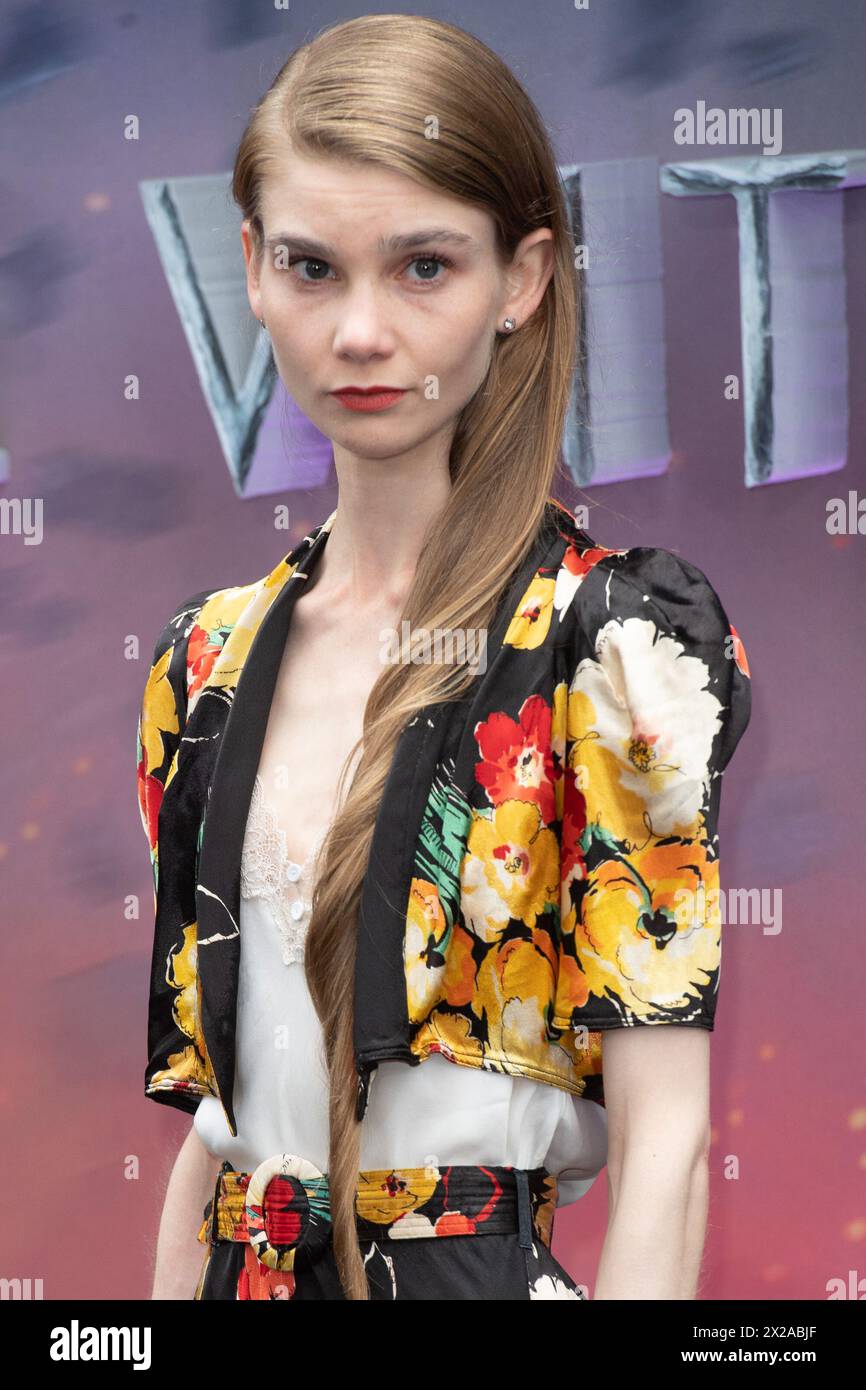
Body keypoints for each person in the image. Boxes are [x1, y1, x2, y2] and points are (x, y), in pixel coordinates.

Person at [136, 14, 752, 1302]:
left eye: (423, 265)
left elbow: (670, 1148)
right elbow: (220, 1129)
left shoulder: (610, 643)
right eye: (312, 267)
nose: (361, 331)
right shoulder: (205, 662)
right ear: (251, 269)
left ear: (522, 278)